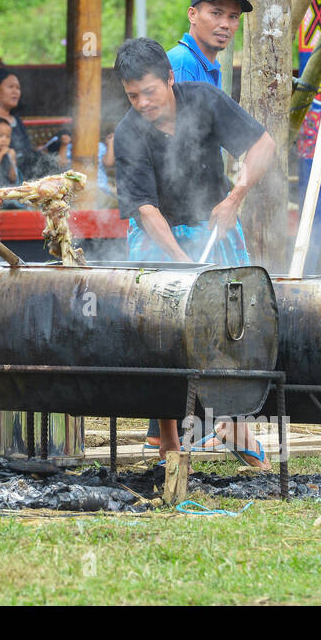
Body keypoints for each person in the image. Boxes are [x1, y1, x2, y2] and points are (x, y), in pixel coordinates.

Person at [111, 37, 276, 467]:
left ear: (169, 78)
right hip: (158, 235)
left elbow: (263, 146)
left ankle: (233, 424)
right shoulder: (128, 134)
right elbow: (145, 211)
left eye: (150, 91)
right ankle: (167, 439)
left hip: (215, 224)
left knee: (236, 324)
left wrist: (236, 195)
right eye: (133, 96)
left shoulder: (203, 99)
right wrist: (183, 266)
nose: (143, 102)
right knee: (160, 335)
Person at [0, 67, 62, 180]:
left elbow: (26, 150)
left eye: (18, 88)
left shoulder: (16, 120)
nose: (15, 92)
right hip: (7, 172)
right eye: (10, 87)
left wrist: (37, 150)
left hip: (29, 166)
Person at [167, 0, 252, 90]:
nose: (225, 24)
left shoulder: (209, 65)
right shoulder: (183, 63)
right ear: (192, 15)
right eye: (216, 13)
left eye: (233, 16)